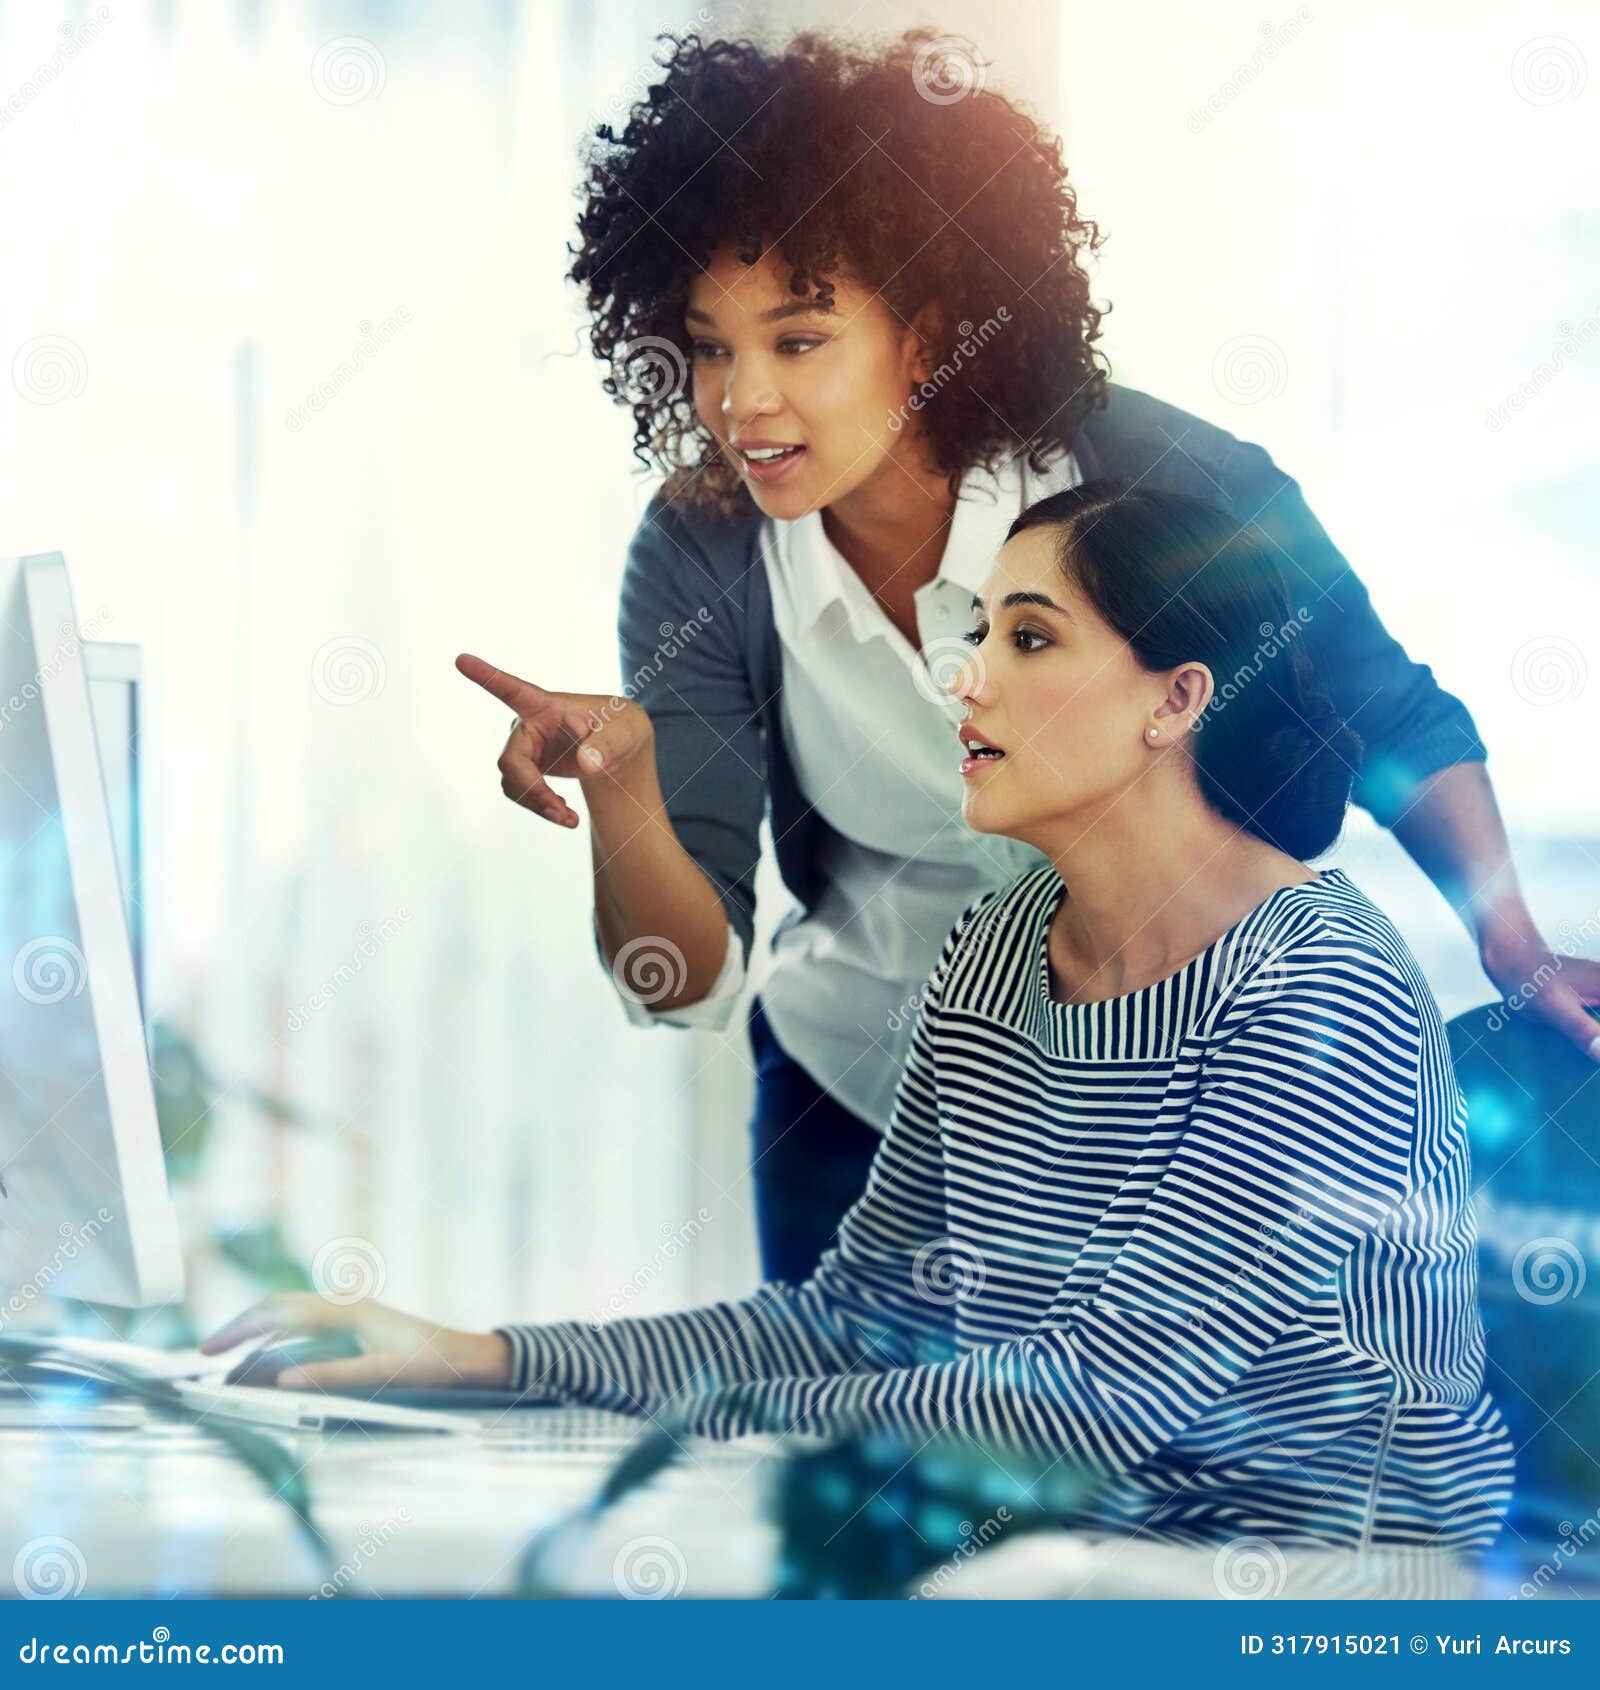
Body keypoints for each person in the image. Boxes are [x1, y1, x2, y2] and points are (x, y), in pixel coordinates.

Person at [454, 27, 1600, 1287]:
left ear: (926, 327)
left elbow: (1392, 717)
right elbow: (686, 977)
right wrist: (623, 793)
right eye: (710, 345)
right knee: (851, 1462)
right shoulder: (702, 552)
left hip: (1164, 1086)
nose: (740, 403)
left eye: (797, 340)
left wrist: (1510, 940)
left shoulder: (1175, 483)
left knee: (1127, 1459)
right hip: (860, 1101)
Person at [208, 484, 1515, 1552]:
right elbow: (851, 1317)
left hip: (1324, 1593)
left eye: (1031, 637)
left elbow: (1098, 1401)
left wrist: (716, 1420)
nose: (967, 680)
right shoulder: (996, 951)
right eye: (980, 629)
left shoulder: (1315, 982)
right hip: (1076, 1561)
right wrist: (483, 1356)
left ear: (1176, 698)